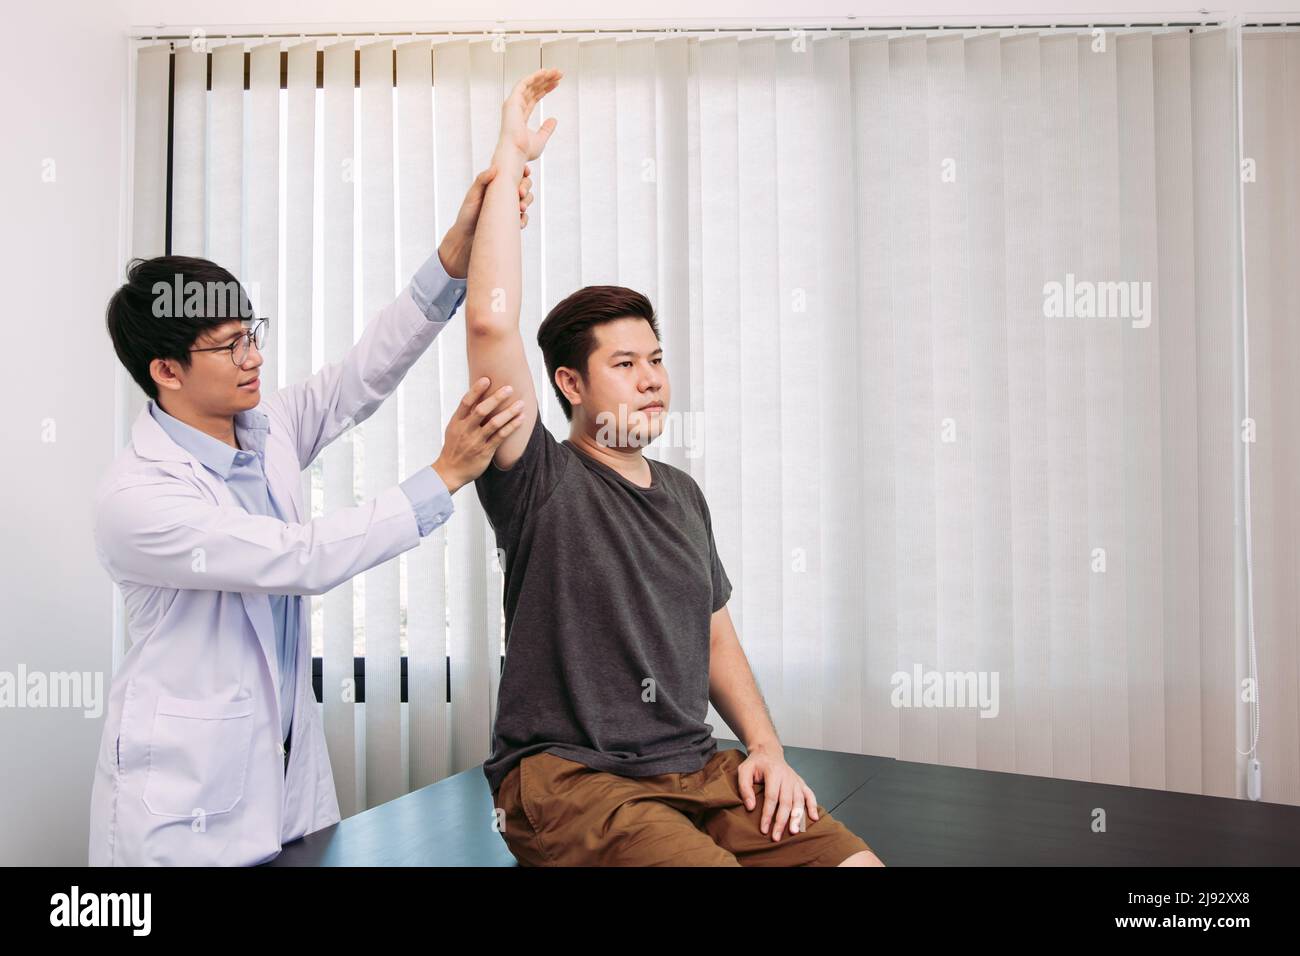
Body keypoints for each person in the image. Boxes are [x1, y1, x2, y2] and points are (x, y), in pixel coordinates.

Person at [467, 69, 884, 866]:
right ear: (571, 384)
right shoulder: (537, 478)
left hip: (695, 766)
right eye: (625, 363)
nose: (653, 377)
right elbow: (490, 320)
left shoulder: (684, 494)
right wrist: (509, 161)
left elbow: (714, 633)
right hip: (574, 780)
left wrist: (766, 747)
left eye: (656, 358)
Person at [89, 163, 533, 866]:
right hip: (182, 810)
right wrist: (444, 475)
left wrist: (456, 250)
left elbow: (363, 374)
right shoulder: (139, 498)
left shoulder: (264, 427)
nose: (254, 357)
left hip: (285, 789)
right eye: (228, 346)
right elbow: (297, 557)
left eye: (251, 332)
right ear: (167, 373)